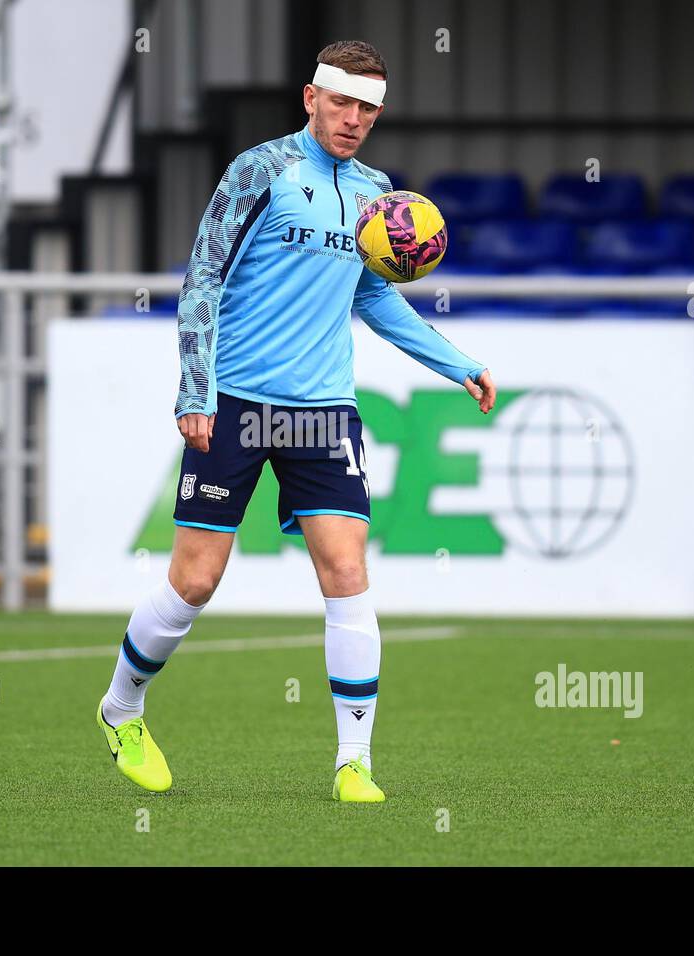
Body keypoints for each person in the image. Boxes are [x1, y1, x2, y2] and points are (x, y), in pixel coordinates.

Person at [97, 40, 496, 803]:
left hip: (324, 413)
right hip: (238, 405)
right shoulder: (259, 171)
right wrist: (195, 390)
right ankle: (122, 708)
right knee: (194, 582)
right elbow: (203, 275)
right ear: (310, 98)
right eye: (342, 102)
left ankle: (355, 763)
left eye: (368, 108)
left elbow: (371, 296)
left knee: (346, 573)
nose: (354, 120)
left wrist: (456, 363)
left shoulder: (377, 192)